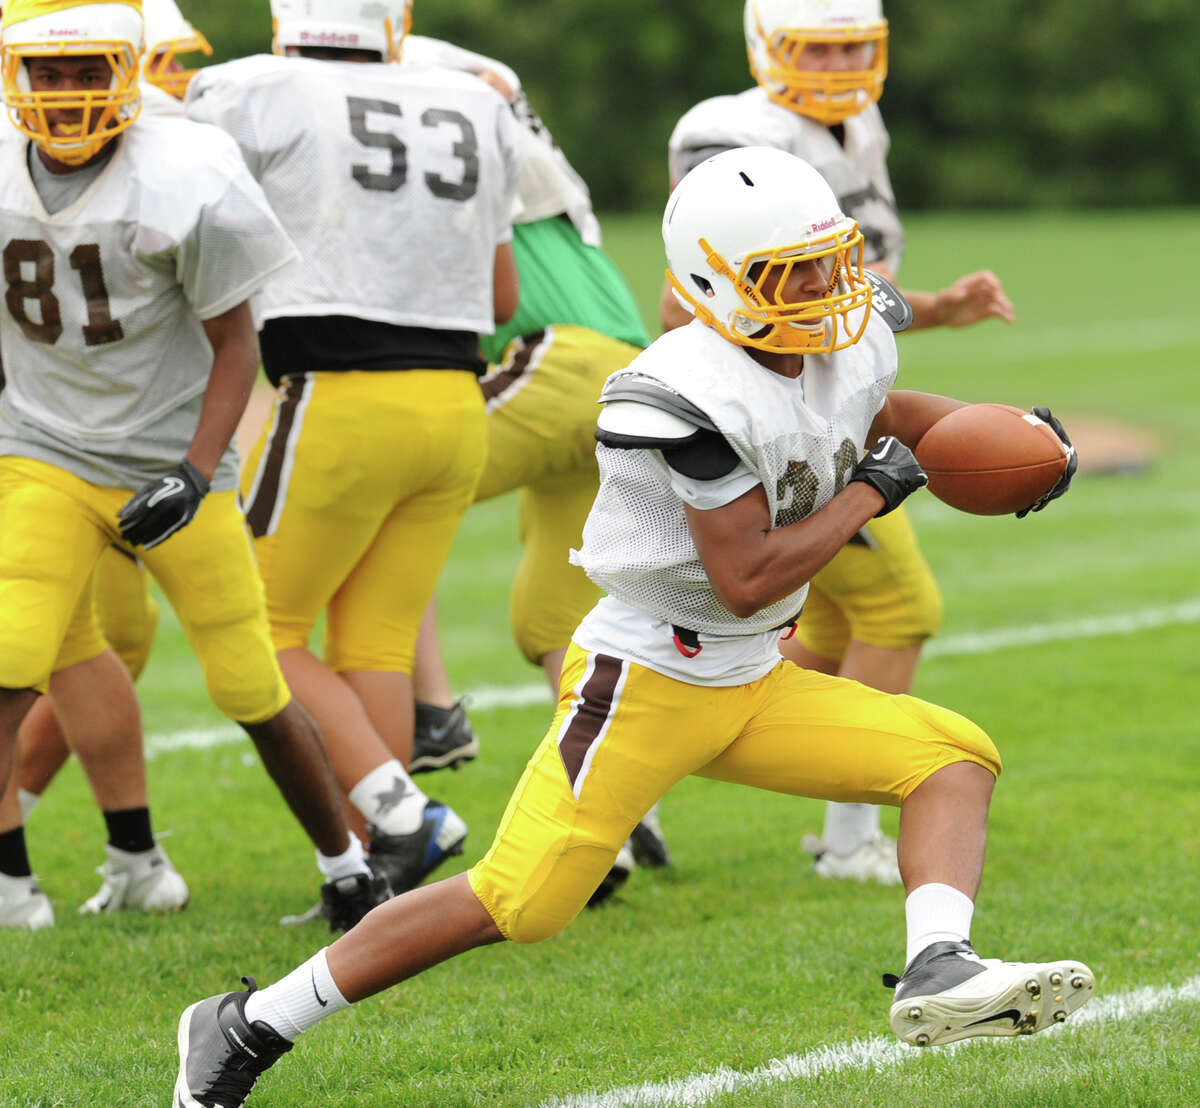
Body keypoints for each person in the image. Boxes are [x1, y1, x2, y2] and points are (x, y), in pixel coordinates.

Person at [174, 146, 1088, 1107]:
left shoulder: (840, 330)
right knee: (518, 904)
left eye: (829, 259)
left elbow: (883, 406)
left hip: (750, 677)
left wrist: (1009, 439)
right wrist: (874, 489)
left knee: (951, 757)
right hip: (648, 676)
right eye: (792, 272)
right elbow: (746, 575)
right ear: (715, 281)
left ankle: (939, 965)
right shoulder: (682, 393)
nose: (825, 286)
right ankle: (248, 1023)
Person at [0, 0, 386, 934]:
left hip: (170, 461)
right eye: (46, 72)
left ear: (126, 72)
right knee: (10, 653)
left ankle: (348, 868)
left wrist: (195, 466)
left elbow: (235, 341)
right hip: (44, 448)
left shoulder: (186, 170)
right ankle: (12, 882)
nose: (64, 92)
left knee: (248, 683)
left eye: (86, 69)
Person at [661, 0, 1015, 885]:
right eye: (817, 47)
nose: (839, 65)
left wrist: (935, 311)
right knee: (900, 608)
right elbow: (710, 298)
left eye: (855, 43)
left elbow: (847, 291)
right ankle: (851, 837)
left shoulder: (860, 125)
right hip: (779, 414)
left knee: (826, 624)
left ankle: (640, 758)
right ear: (765, 46)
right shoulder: (731, 132)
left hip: (830, 396)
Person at [183, 0, 521, 896]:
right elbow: (500, 296)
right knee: (376, 642)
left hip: (339, 395)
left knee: (258, 626)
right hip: (455, 404)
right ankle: (384, 871)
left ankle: (405, 817)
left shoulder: (251, 88)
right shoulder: (474, 100)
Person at [395, 35, 668, 892]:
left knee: (378, 494)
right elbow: (492, 78)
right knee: (556, 616)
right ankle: (613, 815)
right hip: (631, 373)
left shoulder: (454, 142)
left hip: (552, 358)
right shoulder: (523, 154)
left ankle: (431, 711)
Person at [6, 0, 213, 927]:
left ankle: (25, 870)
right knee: (84, 645)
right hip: (72, 433)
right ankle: (132, 856)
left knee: (75, 644)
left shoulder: (169, 152)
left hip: (70, 438)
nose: (174, 80)